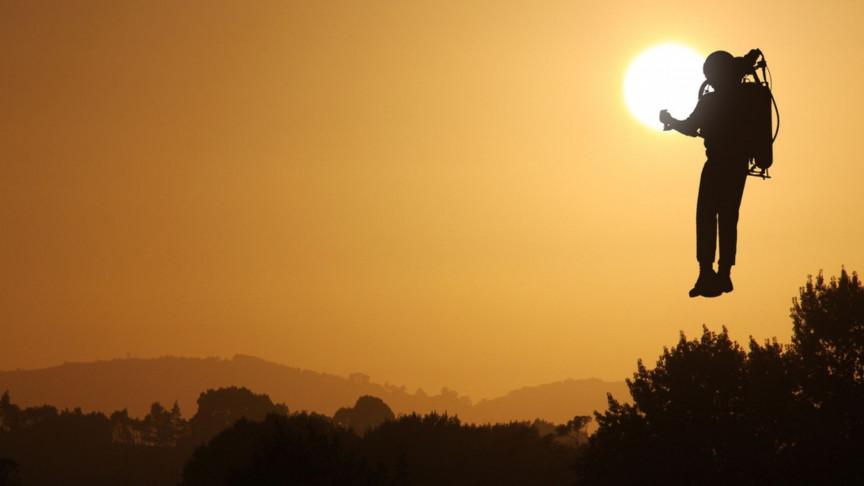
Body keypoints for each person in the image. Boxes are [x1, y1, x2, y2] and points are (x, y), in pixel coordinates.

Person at [659, 50, 760, 298]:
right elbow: (742, 64)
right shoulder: (745, 98)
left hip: (717, 164)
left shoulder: (711, 101)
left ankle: (706, 271)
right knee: (728, 217)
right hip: (738, 167)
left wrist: (670, 120)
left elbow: (691, 128)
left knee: (706, 216)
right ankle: (724, 273)